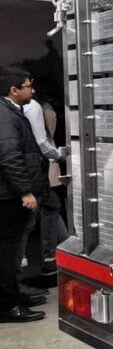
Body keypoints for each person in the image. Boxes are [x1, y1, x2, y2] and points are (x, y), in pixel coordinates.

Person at [0, 65, 49, 321]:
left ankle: (15, 295)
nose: (32, 90)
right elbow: (10, 158)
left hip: (13, 194)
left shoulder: (11, 112)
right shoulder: (5, 116)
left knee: (13, 250)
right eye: (28, 86)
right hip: (10, 197)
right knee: (9, 253)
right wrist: (25, 192)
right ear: (14, 89)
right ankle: (8, 305)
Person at [21, 90, 68, 287]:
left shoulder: (29, 108)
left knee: (49, 208)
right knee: (45, 210)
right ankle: (54, 255)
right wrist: (58, 155)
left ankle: (55, 254)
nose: (31, 89)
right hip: (39, 168)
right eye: (27, 85)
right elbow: (42, 141)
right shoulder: (35, 107)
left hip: (39, 169)